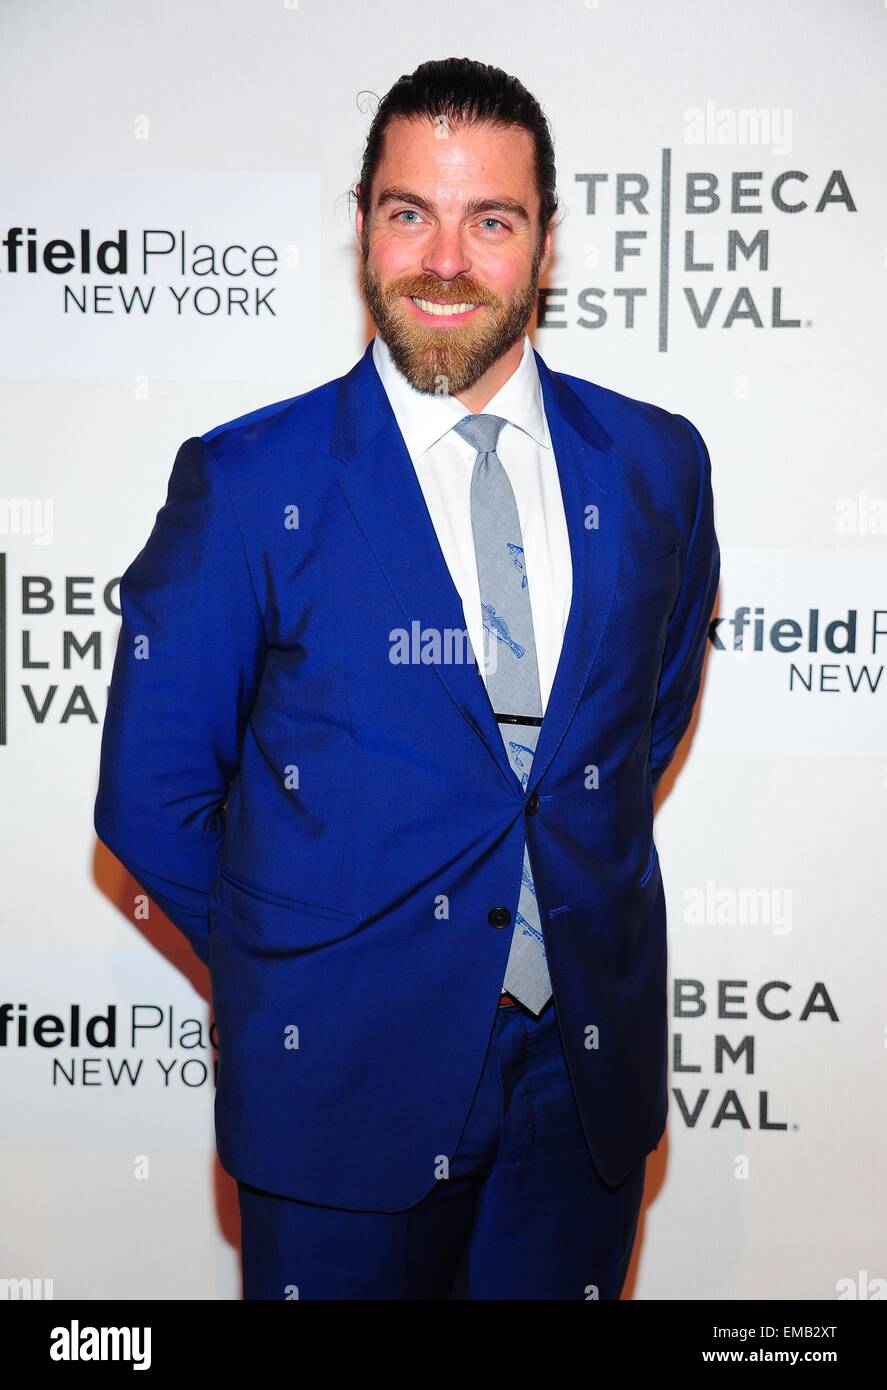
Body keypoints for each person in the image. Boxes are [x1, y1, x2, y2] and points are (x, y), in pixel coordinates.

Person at [94, 56, 720, 1300]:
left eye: (489, 219)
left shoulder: (655, 464)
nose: (444, 260)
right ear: (362, 230)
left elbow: (632, 734)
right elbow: (151, 802)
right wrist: (316, 970)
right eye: (407, 213)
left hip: (576, 1086)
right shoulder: (248, 482)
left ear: (544, 246)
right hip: (336, 1091)